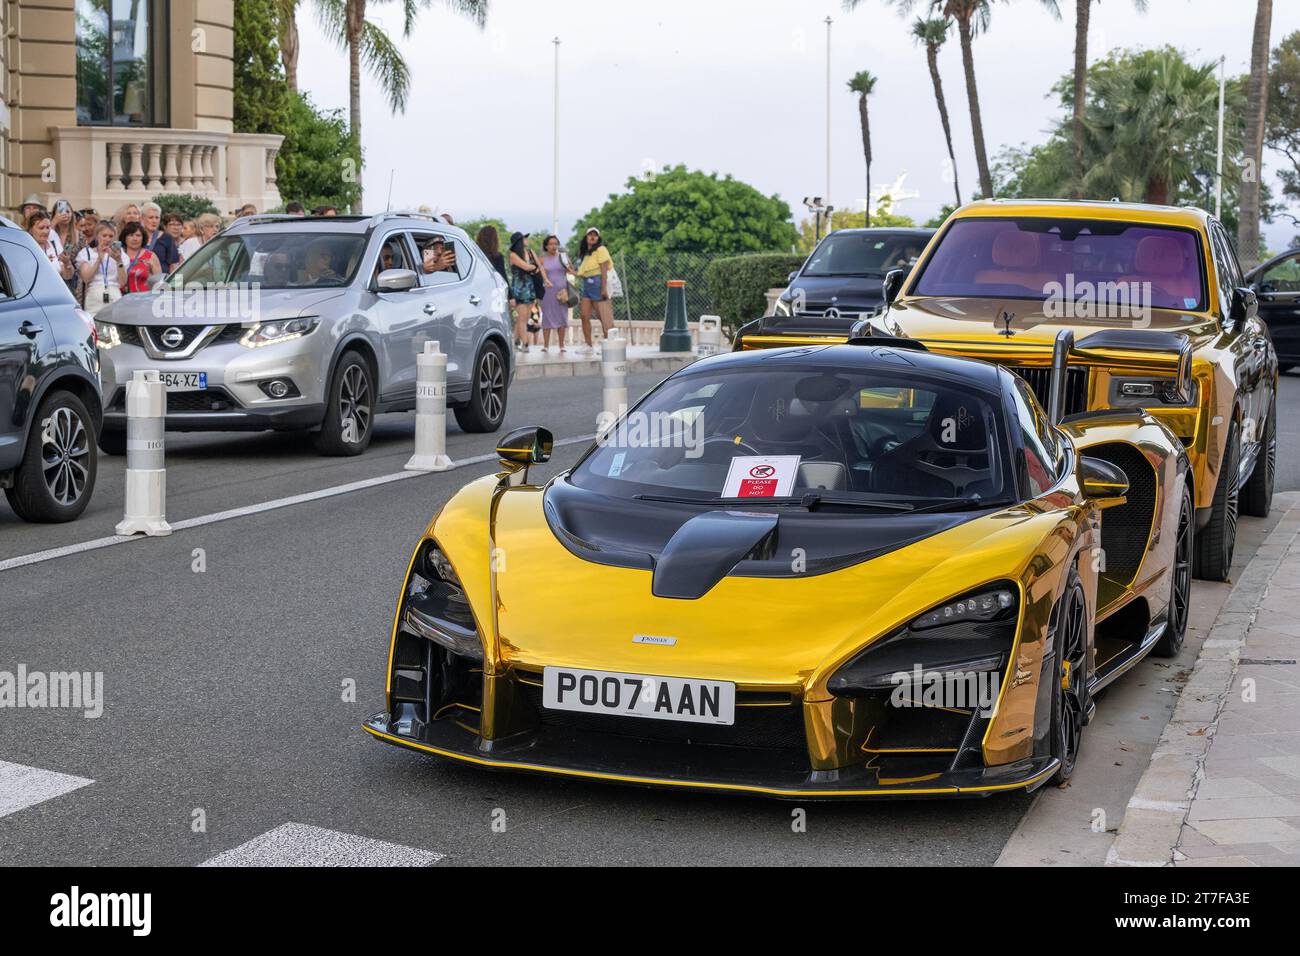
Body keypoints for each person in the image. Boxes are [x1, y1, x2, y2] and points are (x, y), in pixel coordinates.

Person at [77, 222, 129, 316]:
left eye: (111, 236)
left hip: (114, 294)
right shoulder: (87, 253)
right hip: (93, 296)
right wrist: (99, 259)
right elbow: (86, 278)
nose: (107, 239)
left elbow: (122, 282)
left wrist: (118, 260)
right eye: (104, 235)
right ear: (97, 236)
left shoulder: (120, 254)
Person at [576, 227, 615, 352]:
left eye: (595, 235)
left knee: (604, 316)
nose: (592, 237)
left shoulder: (601, 249)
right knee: (584, 315)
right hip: (587, 284)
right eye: (590, 235)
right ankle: (588, 345)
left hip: (598, 283)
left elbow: (604, 270)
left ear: (598, 238)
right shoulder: (587, 254)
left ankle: (609, 346)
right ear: (586, 237)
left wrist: (603, 289)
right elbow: (583, 273)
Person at [539, 235, 574, 353]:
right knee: (547, 317)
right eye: (551, 244)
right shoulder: (542, 260)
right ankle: (546, 345)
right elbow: (538, 274)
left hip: (562, 292)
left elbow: (571, 270)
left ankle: (561, 345)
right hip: (547, 292)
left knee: (561, 316)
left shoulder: (563, 257)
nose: (554, 246)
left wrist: (568, 264)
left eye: (555, 243)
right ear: (546, 246)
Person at [508, 232, 542, 353]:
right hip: (520, 288)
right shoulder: (513, 255)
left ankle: (514, 341)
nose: (526, 239)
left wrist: (535, 266)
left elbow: (537, 266)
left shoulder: (528, 252)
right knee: (522, 318)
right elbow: (527, 267)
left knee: (525, 317)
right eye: (524, 238)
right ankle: (525, 343)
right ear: (518, 241)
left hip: (529, 287)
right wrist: (535, 266)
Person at [27, 211, 74, 282]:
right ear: (31, 230)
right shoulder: (26, 249)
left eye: (48, 227)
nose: (46, 231)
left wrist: (66, 263)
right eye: (41, 228)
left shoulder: (54, 243)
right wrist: (42, 264)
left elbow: (67, 276)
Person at [119, 222, 161, 292]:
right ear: (124, 237)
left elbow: (159, 282)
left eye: (138, 235)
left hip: (144, 299)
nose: (135, 238)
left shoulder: (150, 256)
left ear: (143, 237)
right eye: (131, 235)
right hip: (119, 298)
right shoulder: (117, 255)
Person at [141, 202, 181, 274]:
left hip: (161, 282)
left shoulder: (167, 238)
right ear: (142, 219)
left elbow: (174, 266)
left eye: (157, 218)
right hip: (138, 282)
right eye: (151, 217)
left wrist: (177, 285)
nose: (154, 221)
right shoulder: (136, 237)